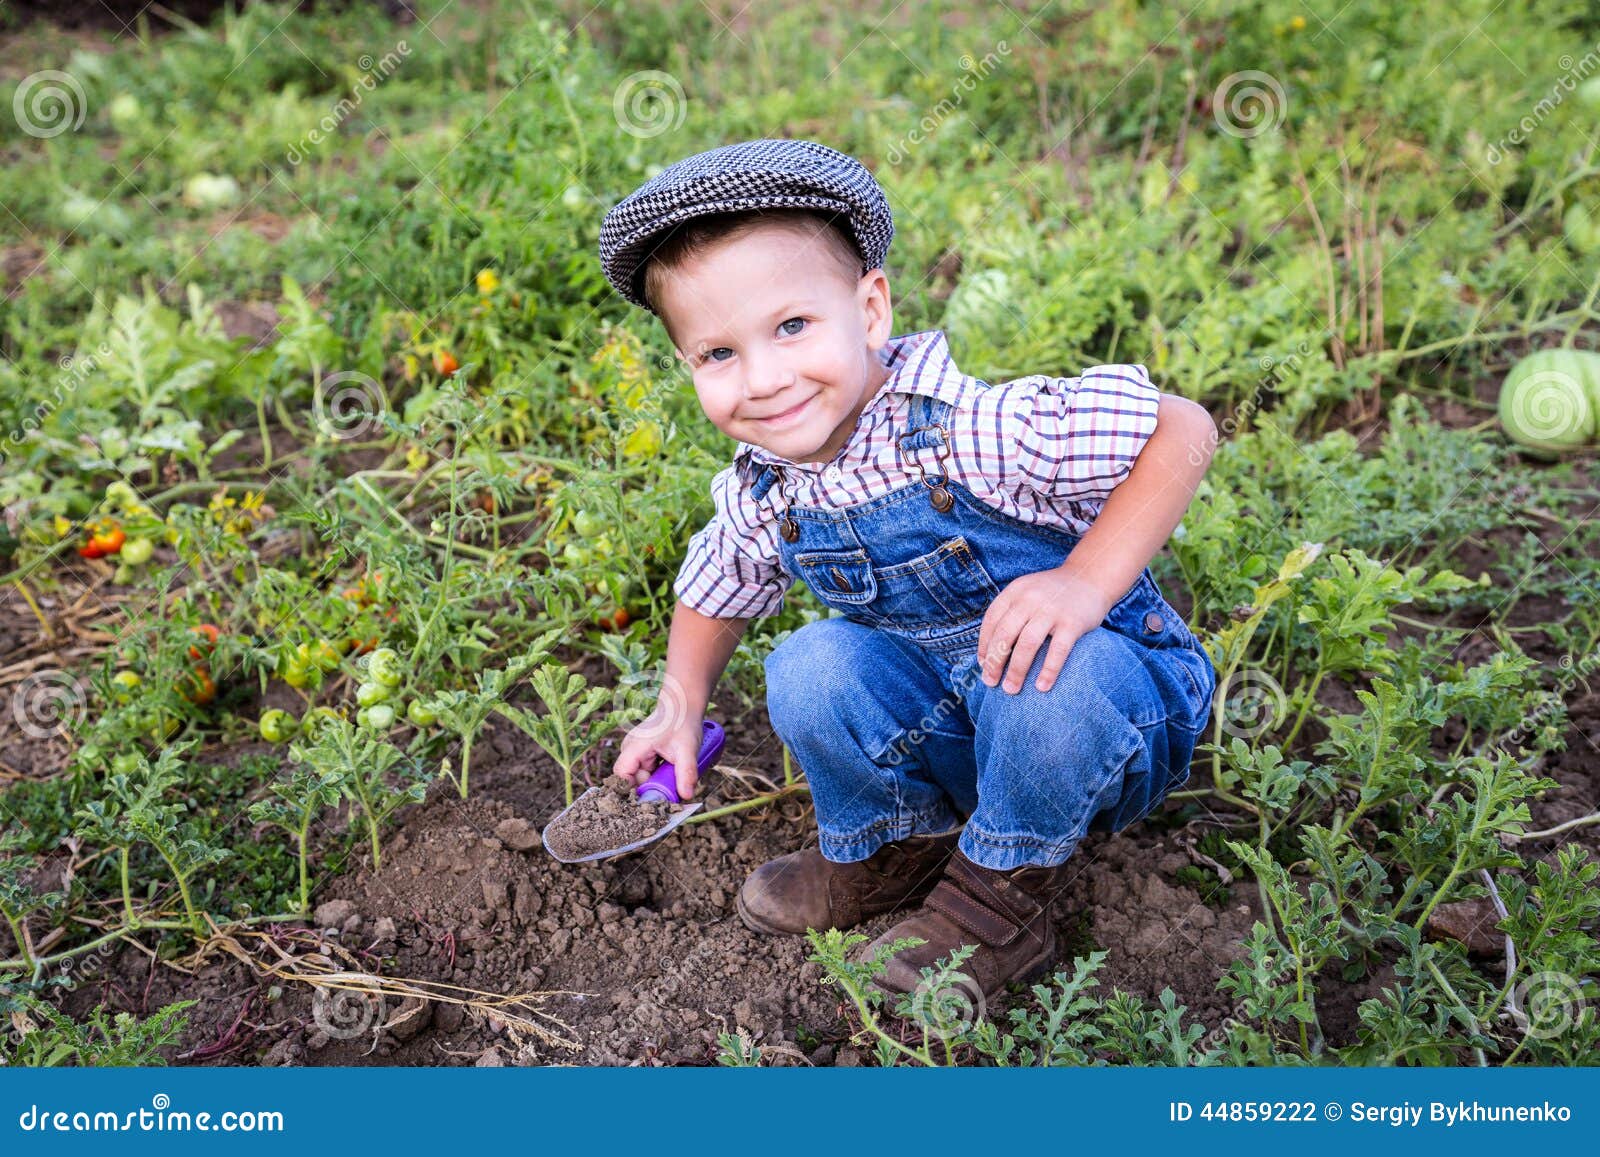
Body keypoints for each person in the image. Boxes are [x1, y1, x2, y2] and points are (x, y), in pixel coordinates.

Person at [597, 138, 1218, 1001]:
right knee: (808, 664)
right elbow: (717, 585)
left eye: (791, 326)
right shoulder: (769, 490)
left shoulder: (975, 427)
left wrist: (1082, 581)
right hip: (959, 734)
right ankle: (897, 850)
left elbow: (1181, 428)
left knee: (1055, 679)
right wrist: (678, 707)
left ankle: (1002, 898)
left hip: (1099, 726)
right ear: (687, 365)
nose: (765, 378)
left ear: (872, 309)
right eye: (719, 354)